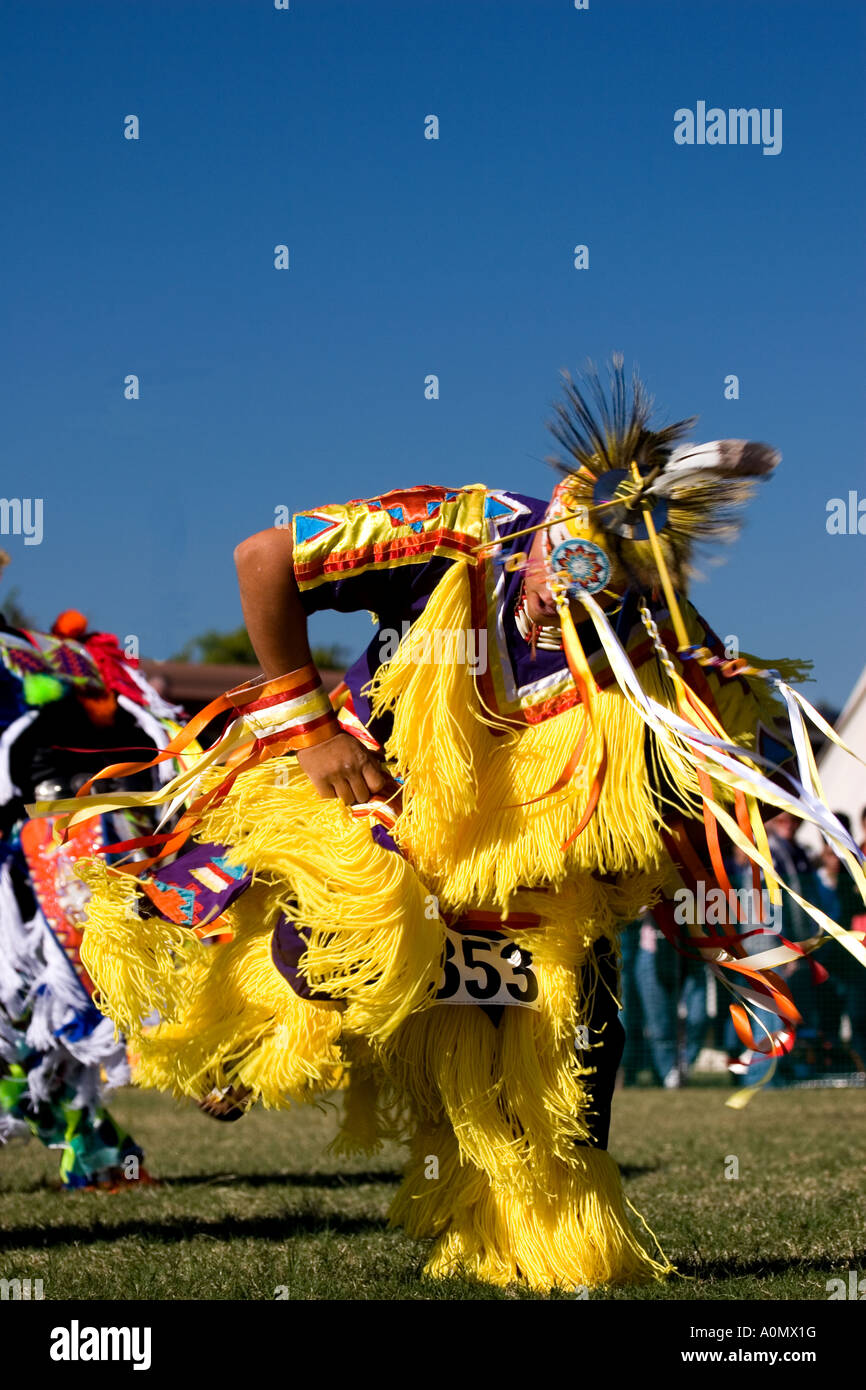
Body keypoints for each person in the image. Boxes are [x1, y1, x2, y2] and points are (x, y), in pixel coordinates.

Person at [47, 360, 866, 1287]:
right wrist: (309, 730)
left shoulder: (656, 646)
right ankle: (247, 1033)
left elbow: (719, 778)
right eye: (571, 570)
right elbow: (261, 559)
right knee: (334, 952)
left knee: (580, 1028)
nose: (569, 609)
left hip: (518, 858)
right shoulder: (460, 531)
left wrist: (725, 927)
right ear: (556, 520)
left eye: (605, 598)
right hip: (375, 803)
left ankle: (553, 1233)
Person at [0, 610, 182, 1188]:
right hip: (52, 880)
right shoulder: (40, 703)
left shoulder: (124, 718)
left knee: (64, 1016)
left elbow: (163, 797)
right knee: (41, 1015)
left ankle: (96, 1154)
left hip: (87, 876)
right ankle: (95, 1153)